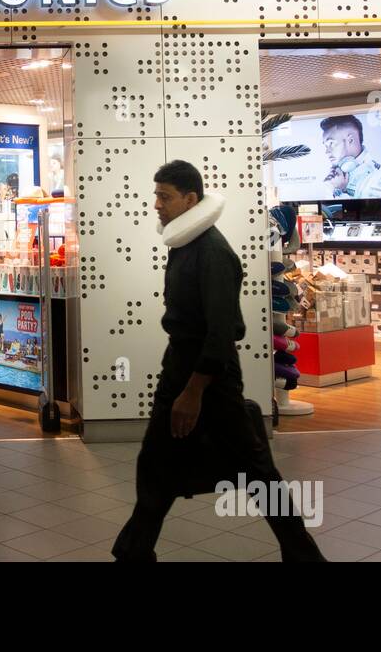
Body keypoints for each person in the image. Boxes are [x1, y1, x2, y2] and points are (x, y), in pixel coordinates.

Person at [112, 160, 326, 562]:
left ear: (190, 199)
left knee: (256, 468)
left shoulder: (213, 253)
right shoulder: (184, 244)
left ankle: (303, 554)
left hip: (211, 376)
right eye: (156, 194)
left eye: (165, 196)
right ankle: (133, 550)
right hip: (181, 365)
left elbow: (222, 329)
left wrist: (193, 392)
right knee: (155, 463)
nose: (156, 204)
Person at [320, 114, 381, 200]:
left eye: (331, 144)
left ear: (350, 140)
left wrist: (339, 192)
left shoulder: (379, 180)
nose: (327, 152)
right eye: (326, 146)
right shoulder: (335, 178)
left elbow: (371, 213)